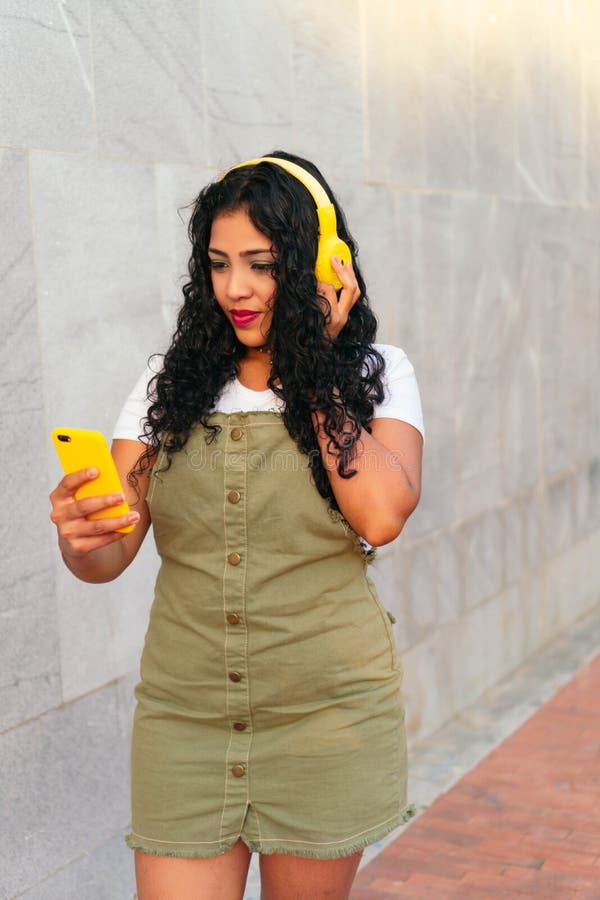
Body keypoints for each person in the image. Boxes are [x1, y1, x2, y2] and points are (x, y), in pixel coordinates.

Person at [49, 151, 425, 900]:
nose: (237, 288)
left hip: (327, 719)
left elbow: (381, 515)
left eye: (261, 263)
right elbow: (111, 552)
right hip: (184, 719)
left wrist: (312, 363)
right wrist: (80, 536)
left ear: (323, 265)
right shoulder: (169, 384)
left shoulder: (379, 374)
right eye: (219, 264)